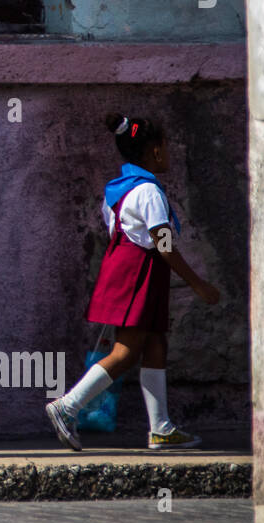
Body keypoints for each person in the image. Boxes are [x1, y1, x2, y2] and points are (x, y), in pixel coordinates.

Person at [45, 112, 221, 451]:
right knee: (125, 352)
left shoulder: (118, 191)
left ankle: (161, 427)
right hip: (140, 273)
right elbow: (163, 243)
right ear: (154, 151)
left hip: (131, 271)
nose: (169, 153)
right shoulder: (149, 191)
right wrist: (198, 283)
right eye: (166, 147)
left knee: (155, 343)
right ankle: (68, 407)